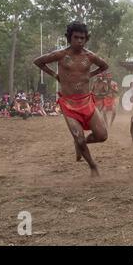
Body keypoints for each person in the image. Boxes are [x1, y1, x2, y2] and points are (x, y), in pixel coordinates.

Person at [34, 21, 109, 177]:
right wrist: (55, 75)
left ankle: (80, 144)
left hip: (87, 101)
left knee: (102, 136)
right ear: (69, 38)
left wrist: (91, 75)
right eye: (76, 37)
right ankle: (93, 167)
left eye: (82, 38)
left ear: (86, 39)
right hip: (68, 103)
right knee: (79, 137)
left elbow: (104, 66)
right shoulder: (61, 54)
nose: (79, 41)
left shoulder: (90, 56)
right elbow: (38, 62)